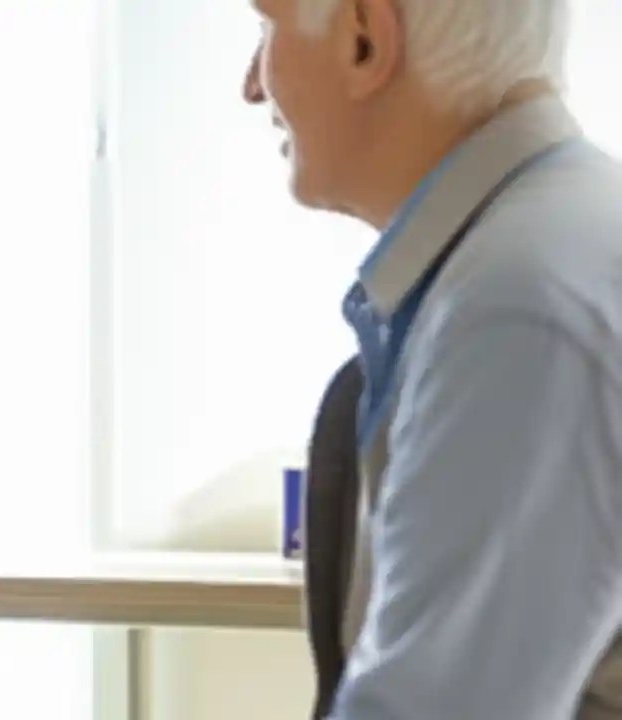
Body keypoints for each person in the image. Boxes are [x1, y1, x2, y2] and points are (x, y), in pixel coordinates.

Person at [242, 0, 622, 718]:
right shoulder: (561, 241)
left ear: (364, 40)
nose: (252, 85)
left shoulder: (519, 310)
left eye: (266, 29)